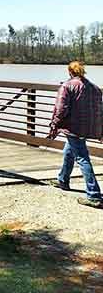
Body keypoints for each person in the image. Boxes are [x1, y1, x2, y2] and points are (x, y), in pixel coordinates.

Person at [47, 61, 103, 208]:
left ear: (70, 72)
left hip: (74, 128)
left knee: (82, 158)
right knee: (69, 151)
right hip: (89, 127)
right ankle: (62, 180)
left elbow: (61, 108)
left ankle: (94, 195)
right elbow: (100, 111)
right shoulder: (95, 88)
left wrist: (54, 124)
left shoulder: (67, 86)